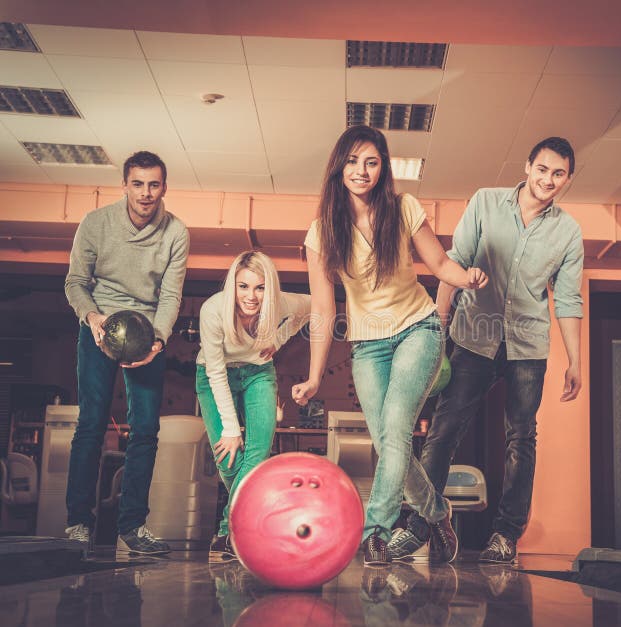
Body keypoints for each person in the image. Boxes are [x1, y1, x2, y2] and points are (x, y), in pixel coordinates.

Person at [291, 125, 488, 566]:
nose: (362, 170)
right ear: (339, 166)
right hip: (368, 345)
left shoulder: (403, 208)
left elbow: (438, 263)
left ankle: (376, 530)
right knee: (386, 439)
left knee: (396, 428)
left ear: (383, 168)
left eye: (372, 161)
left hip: (418, 329)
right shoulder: (322, 232)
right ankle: (436, 513)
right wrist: (314, 375)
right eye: (354, 161)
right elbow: (323, 308)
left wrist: (466, 277)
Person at [396, 136, 584, 564]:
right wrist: (436, 332)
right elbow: (452, 263)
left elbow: (568, 299)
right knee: (444, 431)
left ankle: (506, 535)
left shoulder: (568, 232)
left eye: (558, 174)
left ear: (567, 179)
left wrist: (576, 360)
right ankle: (420, 523)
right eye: (542, 169)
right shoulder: (485, 202)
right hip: (471, 338)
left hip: (528, 347)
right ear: (527, 166)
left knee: (522, 438)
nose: (548, 180)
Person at [64, 151, 189, 554]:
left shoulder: (176, 233)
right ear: (125, 185)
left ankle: (132, 525)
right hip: (99, 329)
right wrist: (93, 317)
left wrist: (159, 341)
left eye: (154, 184)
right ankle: (78, 522)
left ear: (164, 187)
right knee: (91, 423)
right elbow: (75, 282)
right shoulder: (96, 223)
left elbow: (170, 296)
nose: (146, 193)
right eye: (138, 184)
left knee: (146, 430)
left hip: (147, 332)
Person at [196, 250, 311, 562]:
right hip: (214, 377)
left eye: (260, 287)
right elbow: (216, 372)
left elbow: (312, 306)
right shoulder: (213, 311)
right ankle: (253, 521)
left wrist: (281, 336)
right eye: (243, 286)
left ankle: (227, 532)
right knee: (228, 461)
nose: (251, 296)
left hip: (259, 373)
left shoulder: (281, 304)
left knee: (256, 456)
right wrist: (232, 430)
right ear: (232, 285)